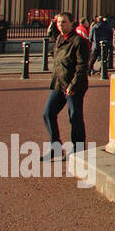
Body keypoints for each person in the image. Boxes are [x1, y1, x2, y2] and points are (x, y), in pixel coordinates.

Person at [42, 12, 90, 158]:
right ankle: (55, 146)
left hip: (73, 85)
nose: (60, 25)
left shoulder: (78, 41)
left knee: (74, 117)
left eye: (64, 22)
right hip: (58, 83)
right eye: (59, 22)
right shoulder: (59, 39)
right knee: (48, 113)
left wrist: (73, 85)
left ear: (71, 23)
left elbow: (82, 66)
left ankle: (79, 149)